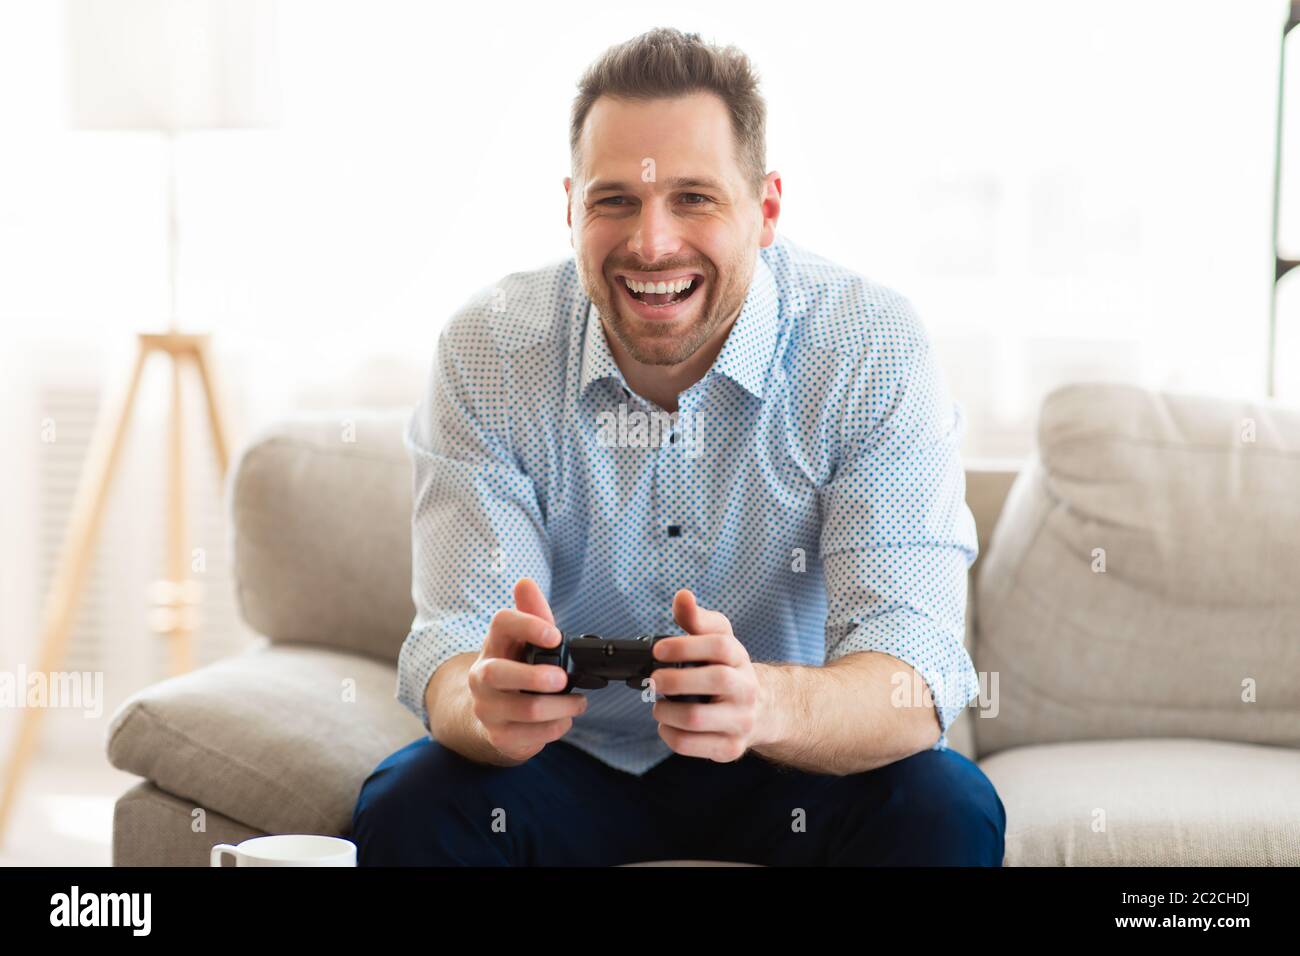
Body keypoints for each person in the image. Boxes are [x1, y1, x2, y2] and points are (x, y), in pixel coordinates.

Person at [352, 26, 1006, 866]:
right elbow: (454, 642)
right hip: (566, 766)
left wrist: (759, 703)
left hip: (791, 762)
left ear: (765, 209)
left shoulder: (869, 347)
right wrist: (482, 708)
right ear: (570, 208)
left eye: (694, 197)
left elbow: (909, 679)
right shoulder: (489, 349)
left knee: (946, 805)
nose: (652, 243)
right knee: (408, 805)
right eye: (614, 199)